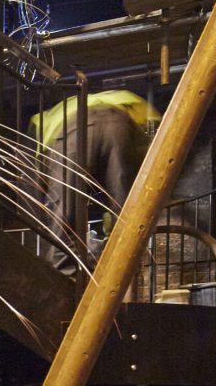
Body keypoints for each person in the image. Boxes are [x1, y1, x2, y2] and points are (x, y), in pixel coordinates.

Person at [30, 89, 160, 273]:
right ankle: (120, 272)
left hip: (75, 128)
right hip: (120, 123)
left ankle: (66, 279)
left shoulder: (43, 128)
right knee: (125, 214)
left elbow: (43, 188)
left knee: (61, 221)